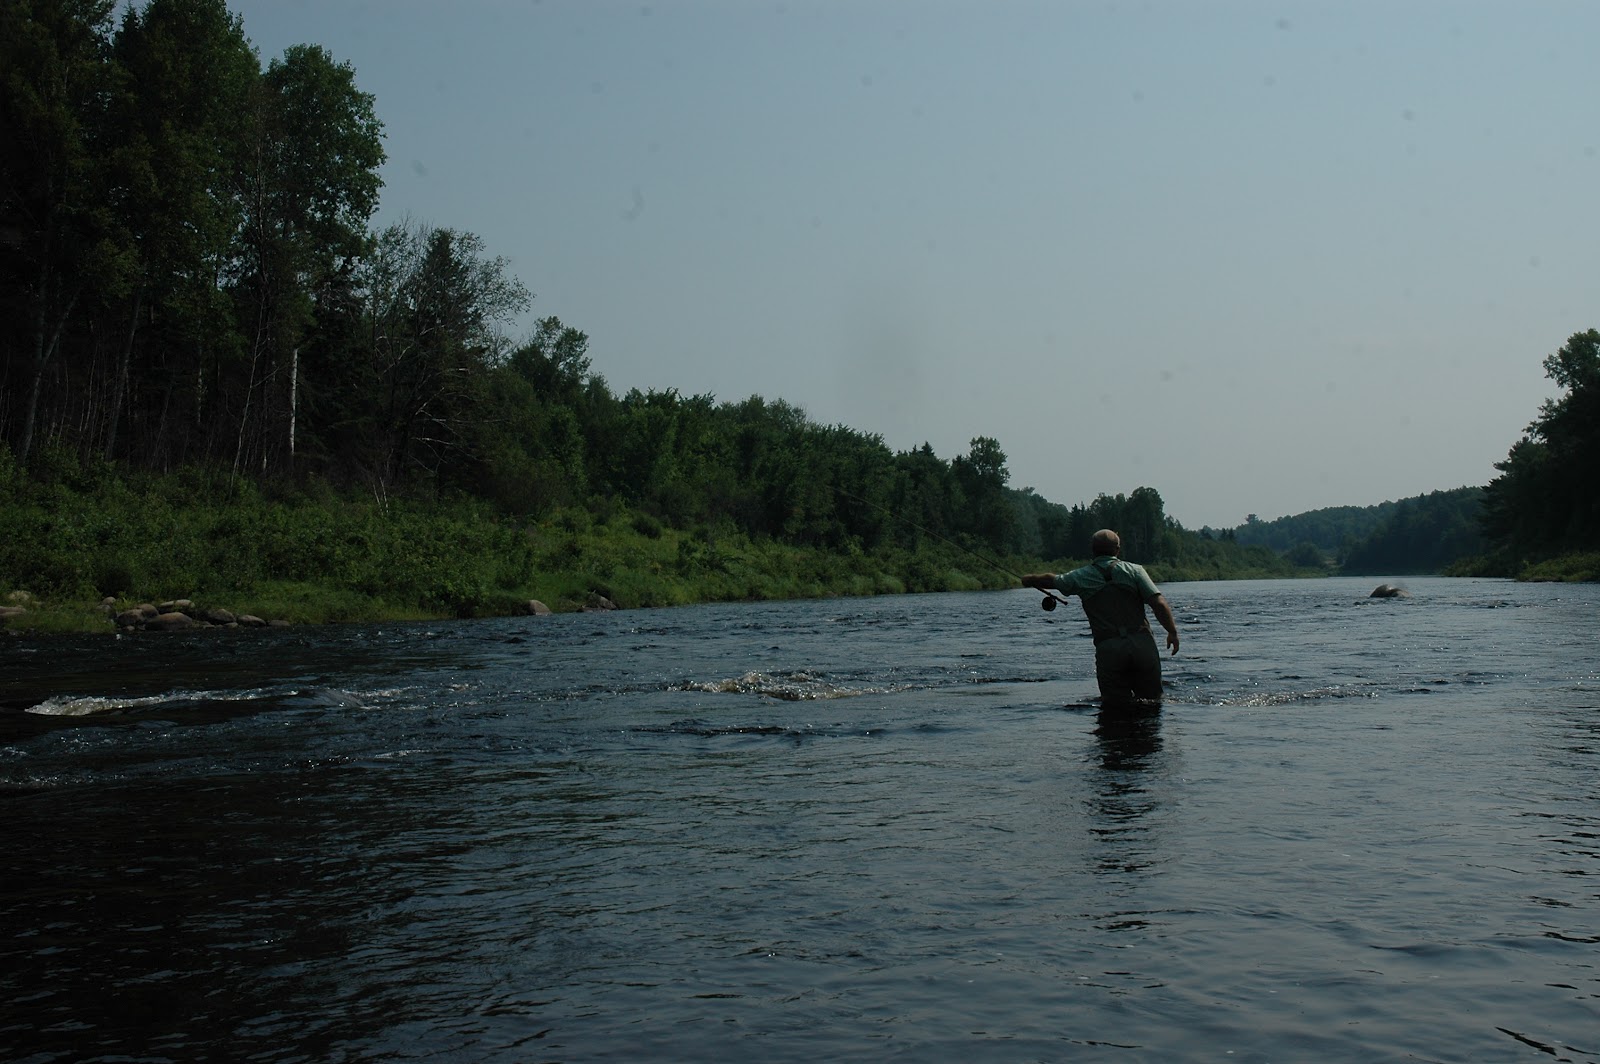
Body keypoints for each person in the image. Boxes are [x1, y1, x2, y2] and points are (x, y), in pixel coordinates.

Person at [1022, 529, 1180, 707]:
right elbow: (1159, 604)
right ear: (1117, 550)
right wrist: (1172, 632)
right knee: (1153, 703)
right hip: (1142, 645)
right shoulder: (1136, 571)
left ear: (1093, 550)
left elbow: (1052, 580)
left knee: (1114, 707)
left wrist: (1029, 579)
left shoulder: (1079, 576)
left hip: (1110, 648)